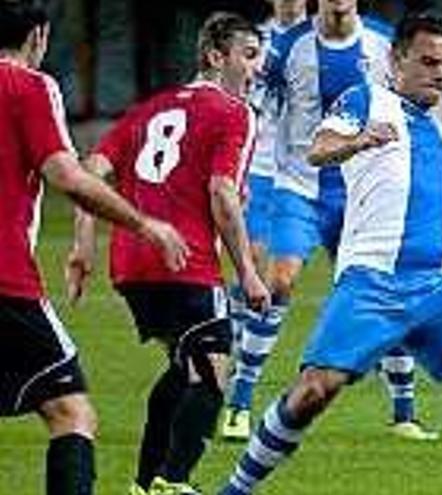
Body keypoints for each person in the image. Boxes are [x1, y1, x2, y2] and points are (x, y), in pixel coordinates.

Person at [219, 12, 442, 495]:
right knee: (312, 393)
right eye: (428, 61)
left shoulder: (437, 130)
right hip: (373, 284)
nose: (440, 74)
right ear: (396, 58)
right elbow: (320, 148)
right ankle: (234, 489)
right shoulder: (366, 99)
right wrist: (359, 140)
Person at [66, 12, 271, 495]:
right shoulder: (234, 112)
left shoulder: (147, 110)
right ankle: (173, 482)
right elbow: (222, 193)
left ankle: (145, 483)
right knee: (215, 373)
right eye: (248, 55)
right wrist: (249, 273)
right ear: (215, 57)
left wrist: (83, 243)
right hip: (185, 261)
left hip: (131, 265)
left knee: (186, 366)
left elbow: (87, 174)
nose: (255, 68)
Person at [223, 0, 436, 443]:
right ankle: (239, 405)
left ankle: (404, 413)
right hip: (299, 187)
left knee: (386, 286)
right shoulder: (286, 46)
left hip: (361, 192)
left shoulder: (383, 42)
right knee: (279, 281)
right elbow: (250, 104)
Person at [0, 3, 189, 495]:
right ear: (39, 36)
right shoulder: (28, 86)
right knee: (70, 412)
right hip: (4, 282)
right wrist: (144, 223)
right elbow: (67, 175)